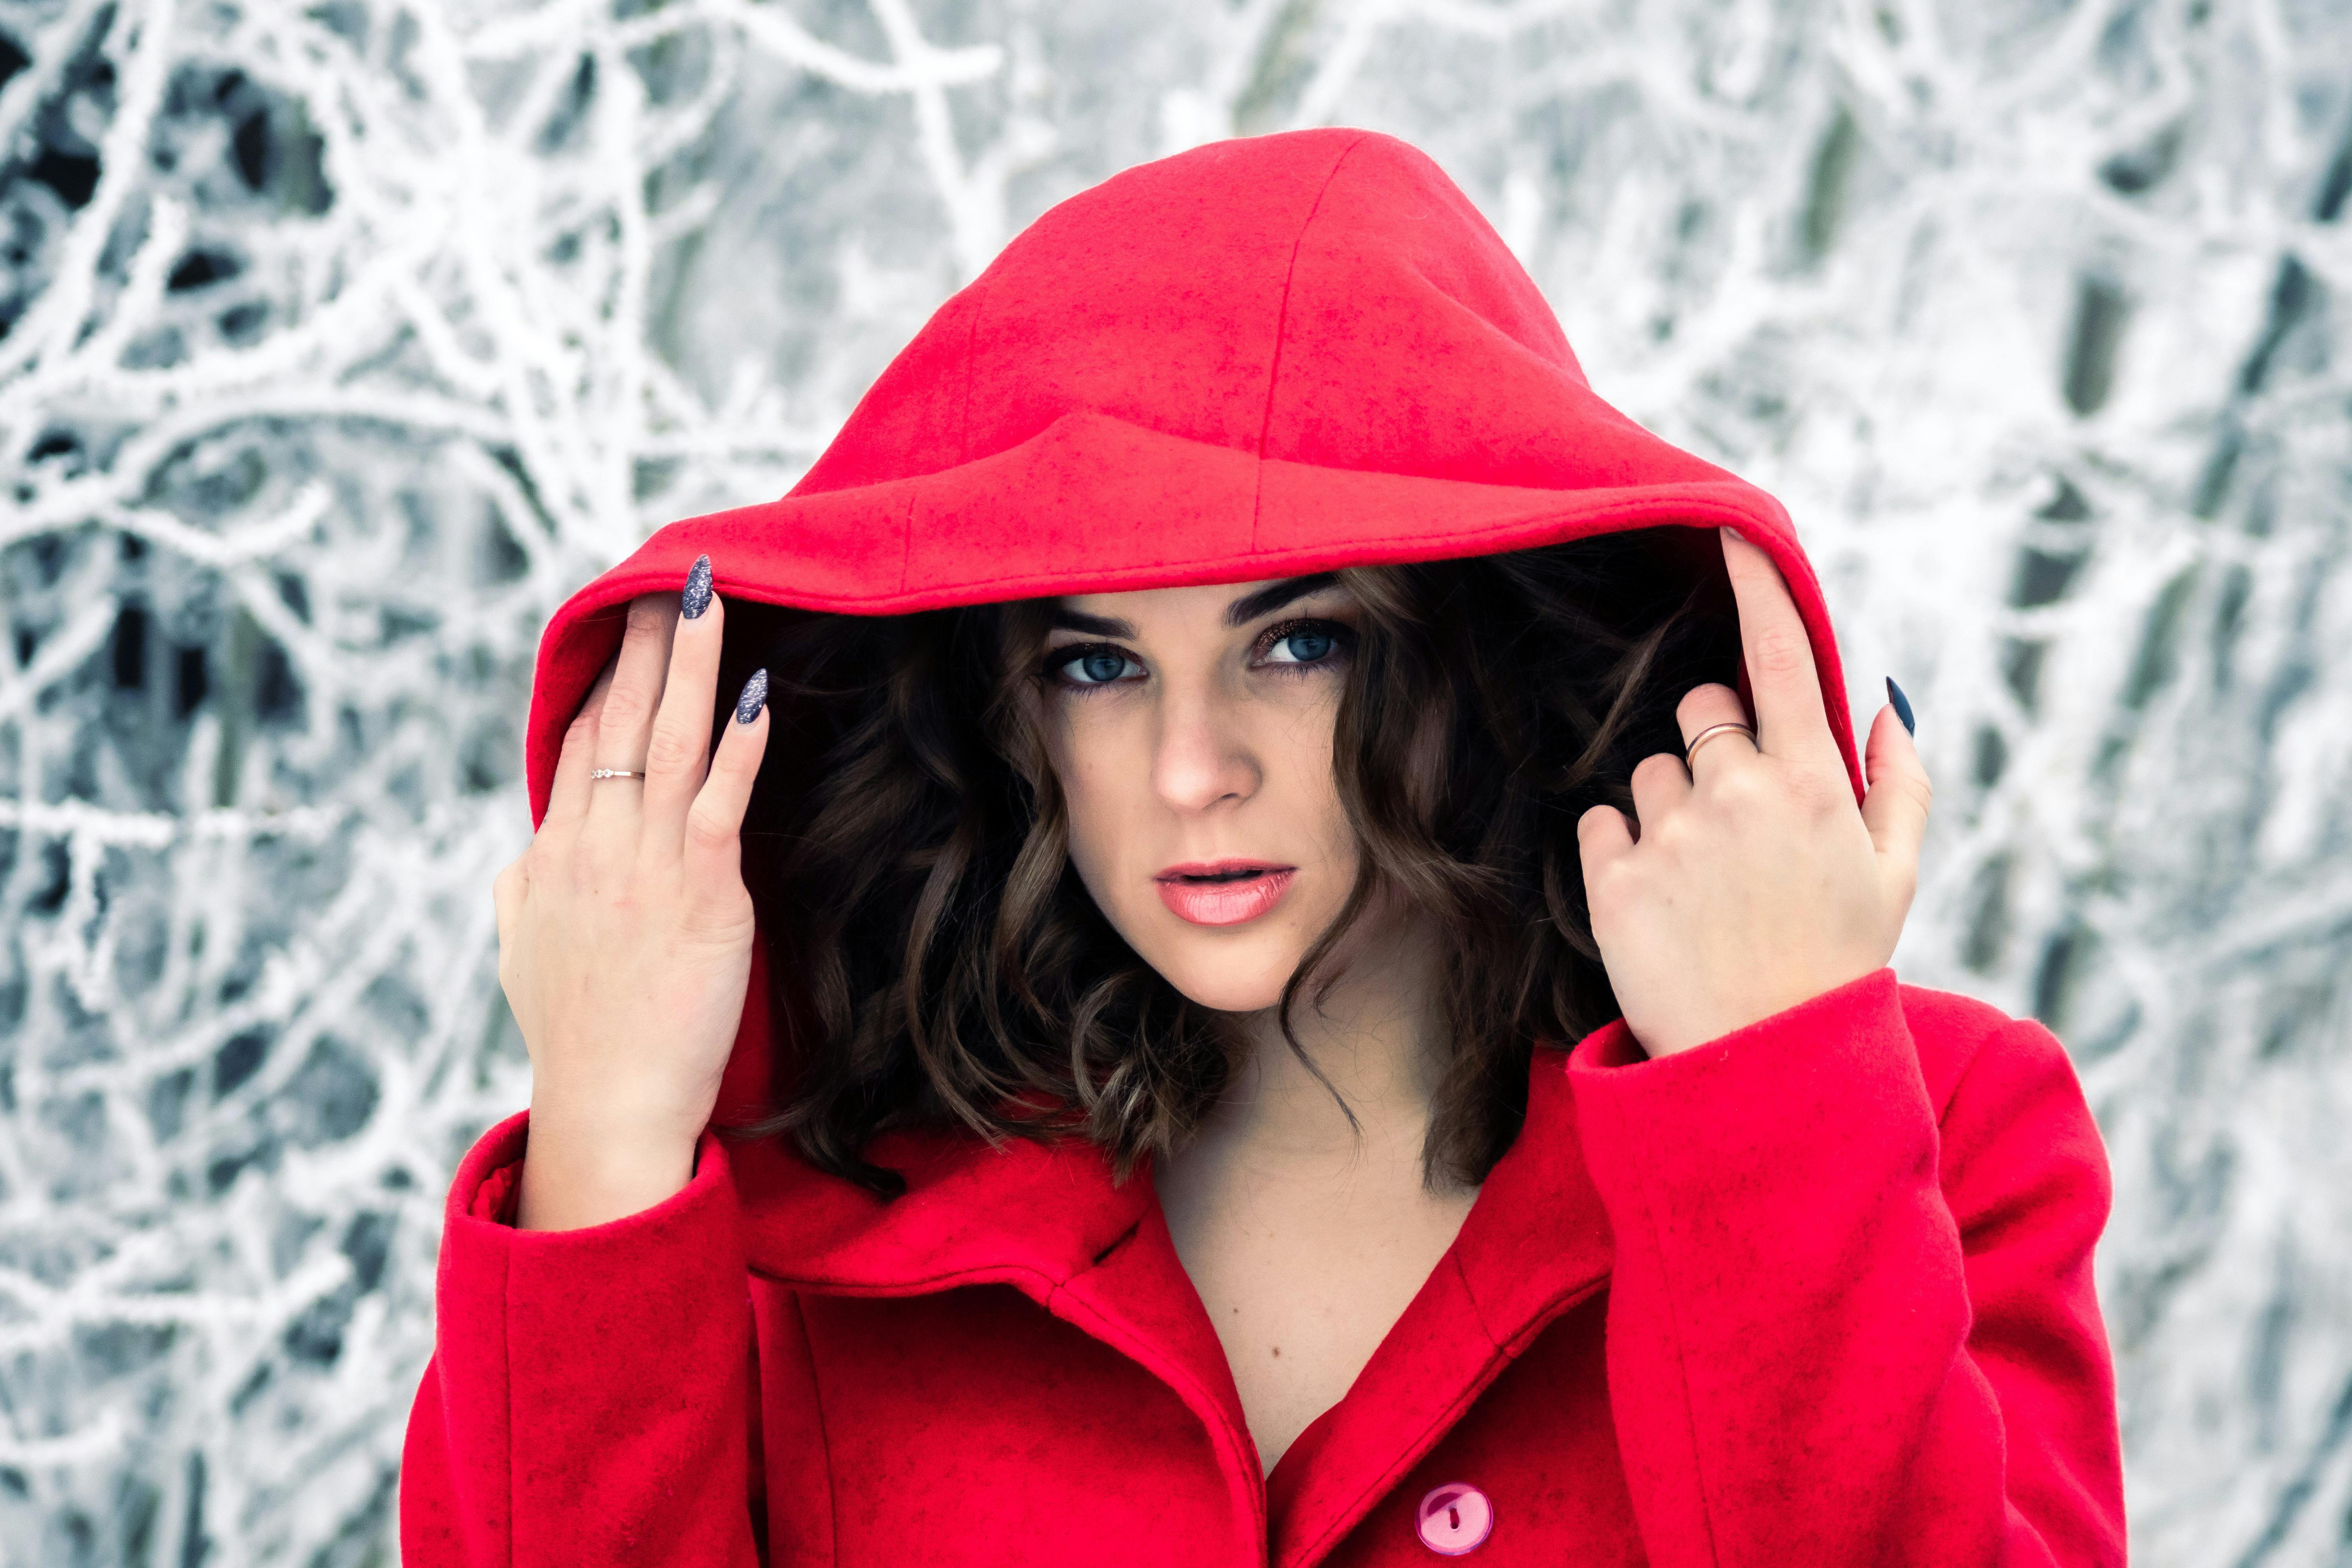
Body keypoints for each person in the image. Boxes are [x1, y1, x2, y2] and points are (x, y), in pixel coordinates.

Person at [400, 129, 2125, 1564]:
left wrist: (1769, 1104)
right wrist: (610, 1140)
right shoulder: (820, 1211)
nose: (1190, 766)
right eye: (1096, 662)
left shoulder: (1941, 1133)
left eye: (1299, 640)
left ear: (1475, 640)